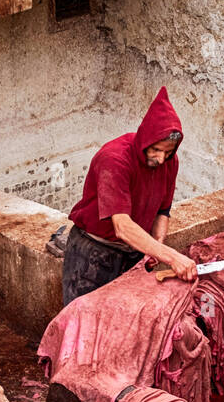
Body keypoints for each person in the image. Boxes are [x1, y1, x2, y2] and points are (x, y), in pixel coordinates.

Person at [62, 87, 197, 304]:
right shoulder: (114, 159)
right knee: (84, 323)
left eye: (168, 151)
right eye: (156, 150)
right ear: (145, 139)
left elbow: (163, 211)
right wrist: (171, 256)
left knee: (122, 323)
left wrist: (155, 246)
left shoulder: (170, 163)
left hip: (134, 252)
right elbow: (122, 226)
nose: (161, 159)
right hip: (94, 252)